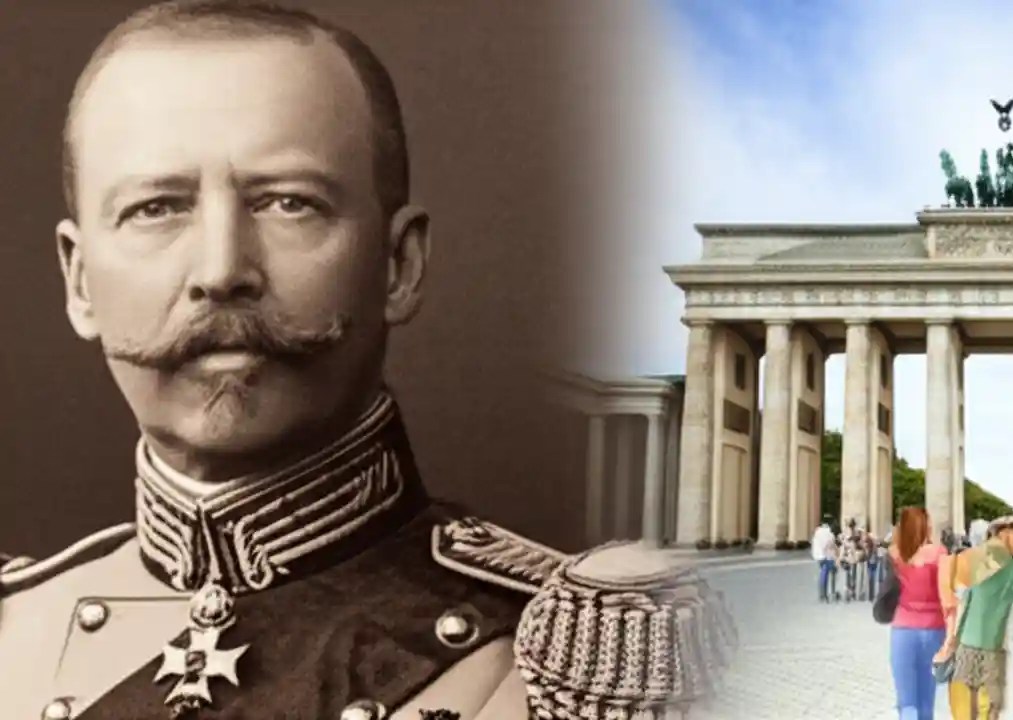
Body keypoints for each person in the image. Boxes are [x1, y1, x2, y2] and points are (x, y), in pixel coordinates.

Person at [0, 2, 733, 718]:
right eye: (157, 207)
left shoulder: (582, 664)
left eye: (288, 203)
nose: (221, 270)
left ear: (398, 264)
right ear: (78, 279)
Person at [939, 516, 1013, 720]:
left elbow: (957, 589)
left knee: (964, 710)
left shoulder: (984, 560)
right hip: (995, 648)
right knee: (989, 710)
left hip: (967, 645)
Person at [886, 507, 948, 720]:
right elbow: (946, 595)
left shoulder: (895, 553)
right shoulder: (939, 553)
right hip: (934, 630)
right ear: (924, 526)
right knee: (926, 700)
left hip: (903, 630)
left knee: (907, 702)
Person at [812, 517, 838, 602]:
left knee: (823, 574)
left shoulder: (817, 532)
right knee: (831, 572)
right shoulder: (829, 533)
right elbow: (830, 545)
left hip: (818, 556)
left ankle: (822, 594)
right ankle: (829, 593)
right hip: (826, 556)